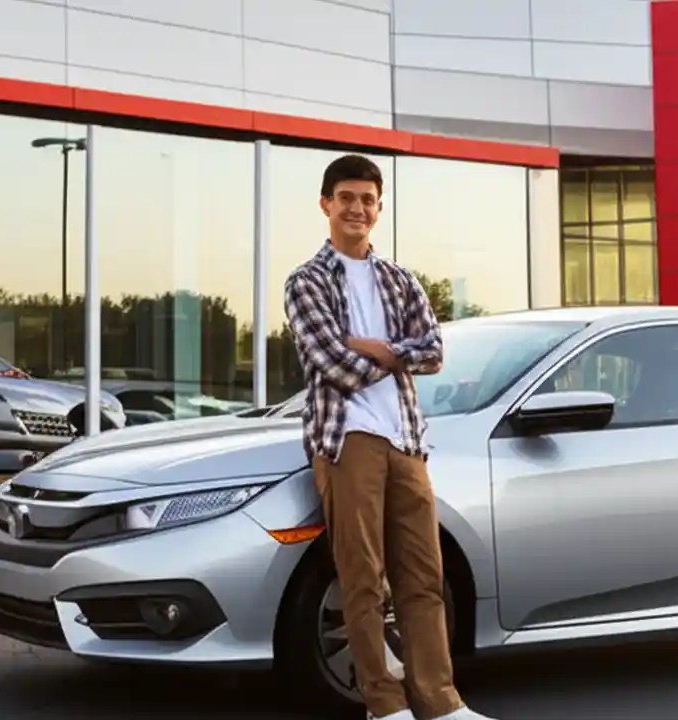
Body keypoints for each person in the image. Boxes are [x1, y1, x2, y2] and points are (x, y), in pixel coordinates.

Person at [284, 154, 493, 720]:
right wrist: (396, 354)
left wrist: (379, 347)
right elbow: (333, 364)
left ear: (379, 209)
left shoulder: (399, 280)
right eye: (345, 197)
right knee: (362, 578)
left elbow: (434, 351)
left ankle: (441, 703)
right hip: (347, 439)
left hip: (405, 439)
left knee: (424, 578)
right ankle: (383, 703)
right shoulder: (306, 282)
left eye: (367, 200)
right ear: (326, 204)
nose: (357, 208)